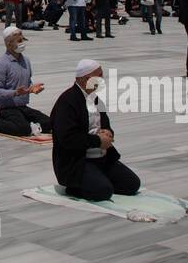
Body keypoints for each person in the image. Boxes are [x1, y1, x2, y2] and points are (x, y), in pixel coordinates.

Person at [50, 59, 141, 201]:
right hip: (77, 162)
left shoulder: (96, 99)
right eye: (99, 76)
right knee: (103, 191)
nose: (102, 80)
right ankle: (75, 187)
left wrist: (108, 133)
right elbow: (68, 139)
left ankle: (95, 178)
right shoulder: (67, 102)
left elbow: (106, 124)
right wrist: (98, 140)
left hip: (101, 158)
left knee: (132, 184)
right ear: (86, 79)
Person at [0, 26, 51, 136]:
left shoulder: (26, 61)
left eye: (22, 40)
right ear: (9, 44)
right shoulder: (1, 64)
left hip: (22, 107)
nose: (22, 43)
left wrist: (32, 88)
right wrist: (14, 92)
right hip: (6, 108)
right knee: (22, 129)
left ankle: (25, 123)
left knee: (49, 123)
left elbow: (27, 82)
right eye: (19, 41)